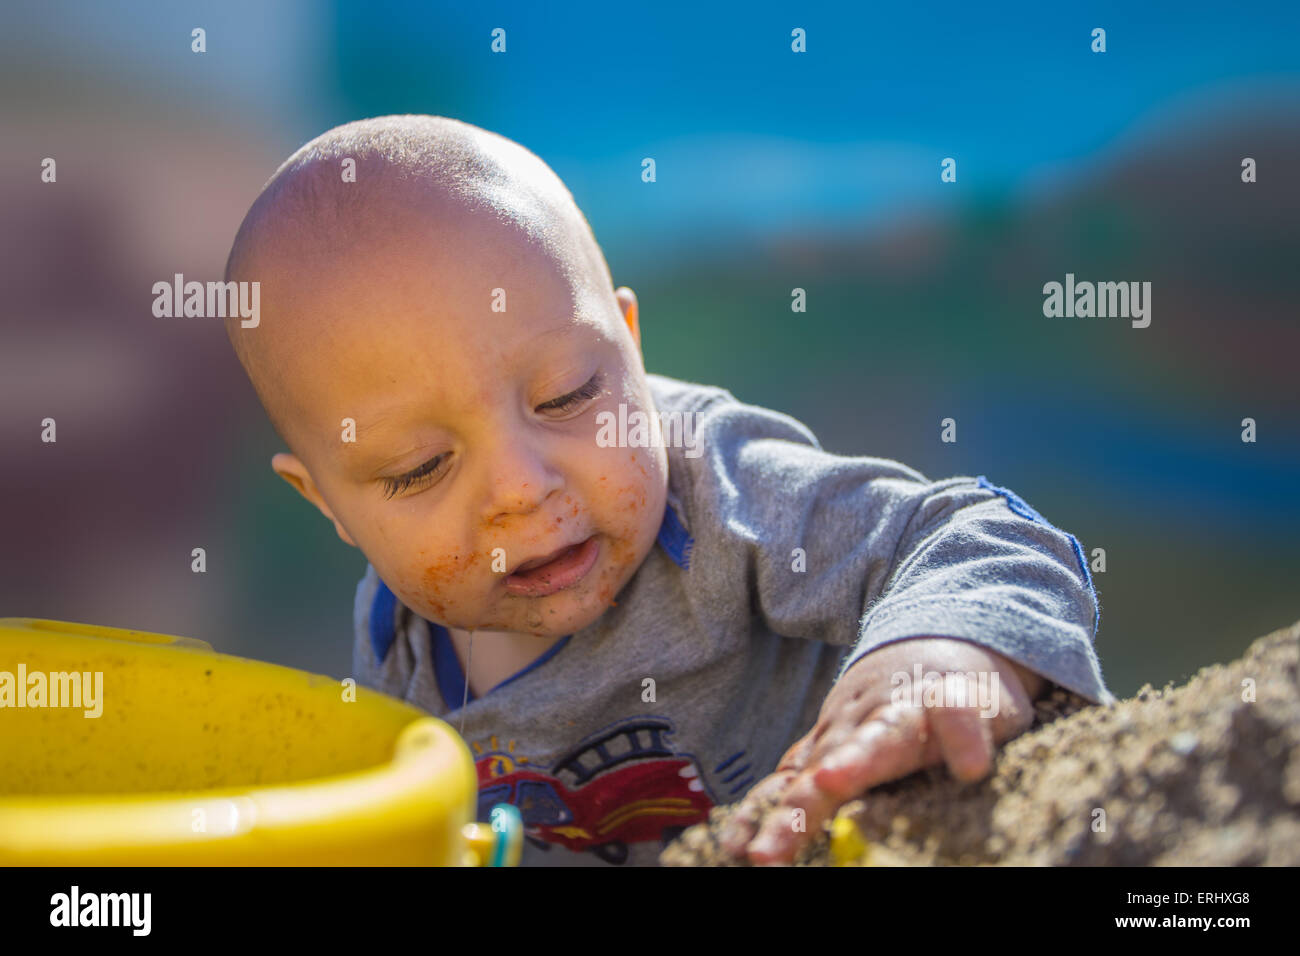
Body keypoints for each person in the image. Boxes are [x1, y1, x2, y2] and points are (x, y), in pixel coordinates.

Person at [223, 115, 1113, 866]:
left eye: (569, 396)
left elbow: (980, 535)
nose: (523, 490)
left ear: (632, 349)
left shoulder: (720, 493)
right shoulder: (395, 642)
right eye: (419, 468)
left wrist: (938, 653)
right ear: (328, 505)